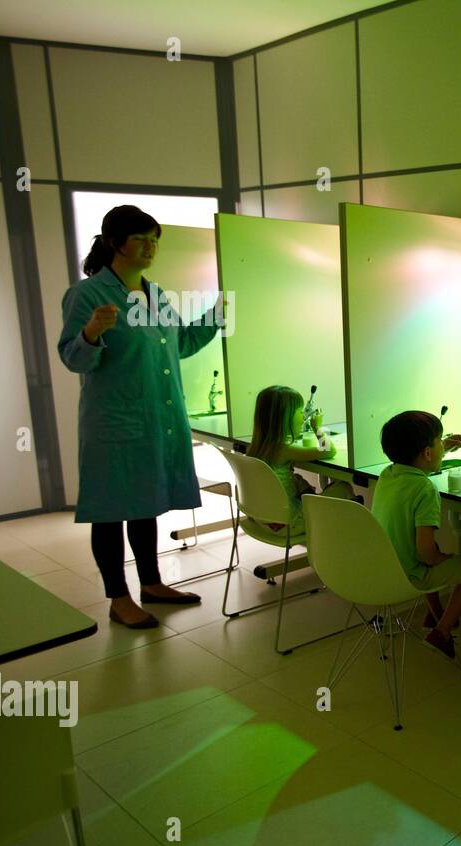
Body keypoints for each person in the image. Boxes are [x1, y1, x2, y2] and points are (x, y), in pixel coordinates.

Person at [57, 205, 227, 629]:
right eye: (141, 238)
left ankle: (152, 584)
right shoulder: (88, 295)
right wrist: (90, 332)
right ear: (115, 242)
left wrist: (215, 316)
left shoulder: (155, 294)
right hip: (114, 422)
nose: (151, 247)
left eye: (155, 239)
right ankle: (118, 598)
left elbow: (180, 344)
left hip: (155, 418)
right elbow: (73, 359)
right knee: (110, 509)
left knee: (145, 504)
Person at [371, 411, 461, 658]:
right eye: (440, 440)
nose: (443, 444)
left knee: (430, 546)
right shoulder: (426, 490)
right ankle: (442, 631)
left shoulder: (389, 473)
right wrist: (445, 558)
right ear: (428, 452)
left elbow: (416, 466)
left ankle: (436, 611)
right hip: (410, 576)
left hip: (383, 567)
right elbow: (427, 555)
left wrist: (443, 448)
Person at [244, 385, 355, 537]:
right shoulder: (282, 449)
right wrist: (317, 427)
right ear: (285, 418)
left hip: (261, 519)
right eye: (301, 411)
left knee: (296, 479)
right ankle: (340, 543)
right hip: (288, 524)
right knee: (343, 487)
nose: (304, 416)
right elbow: (329, 450)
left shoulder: (258, 446)